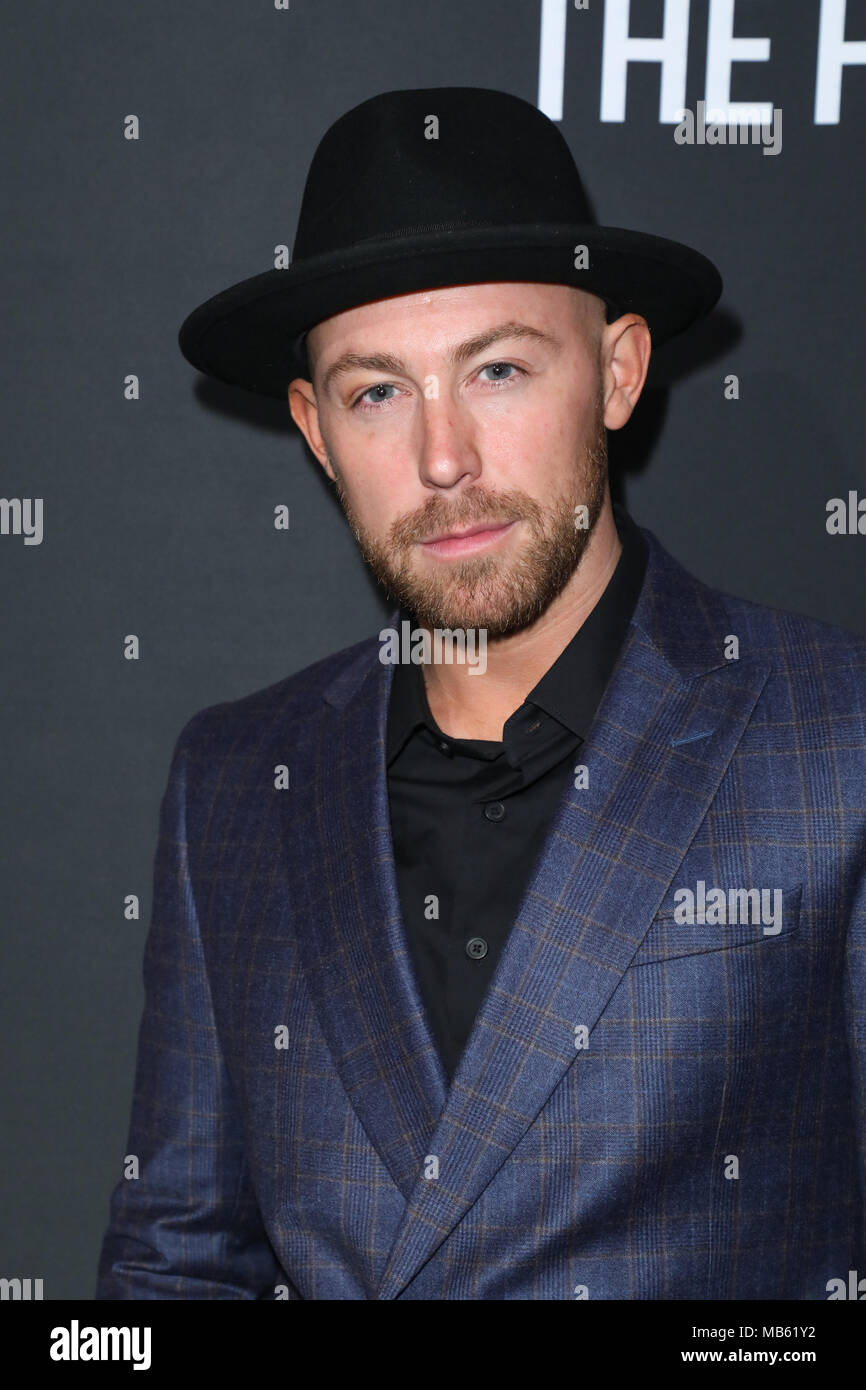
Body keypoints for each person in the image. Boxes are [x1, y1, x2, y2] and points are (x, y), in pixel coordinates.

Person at [96, 86, 865, 1301]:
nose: (442, 457)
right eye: (376, 391)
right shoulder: (236, 782)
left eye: (498, 367)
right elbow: (176, 1260)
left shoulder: (834, 742)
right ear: (312, 426)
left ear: (616, 374)